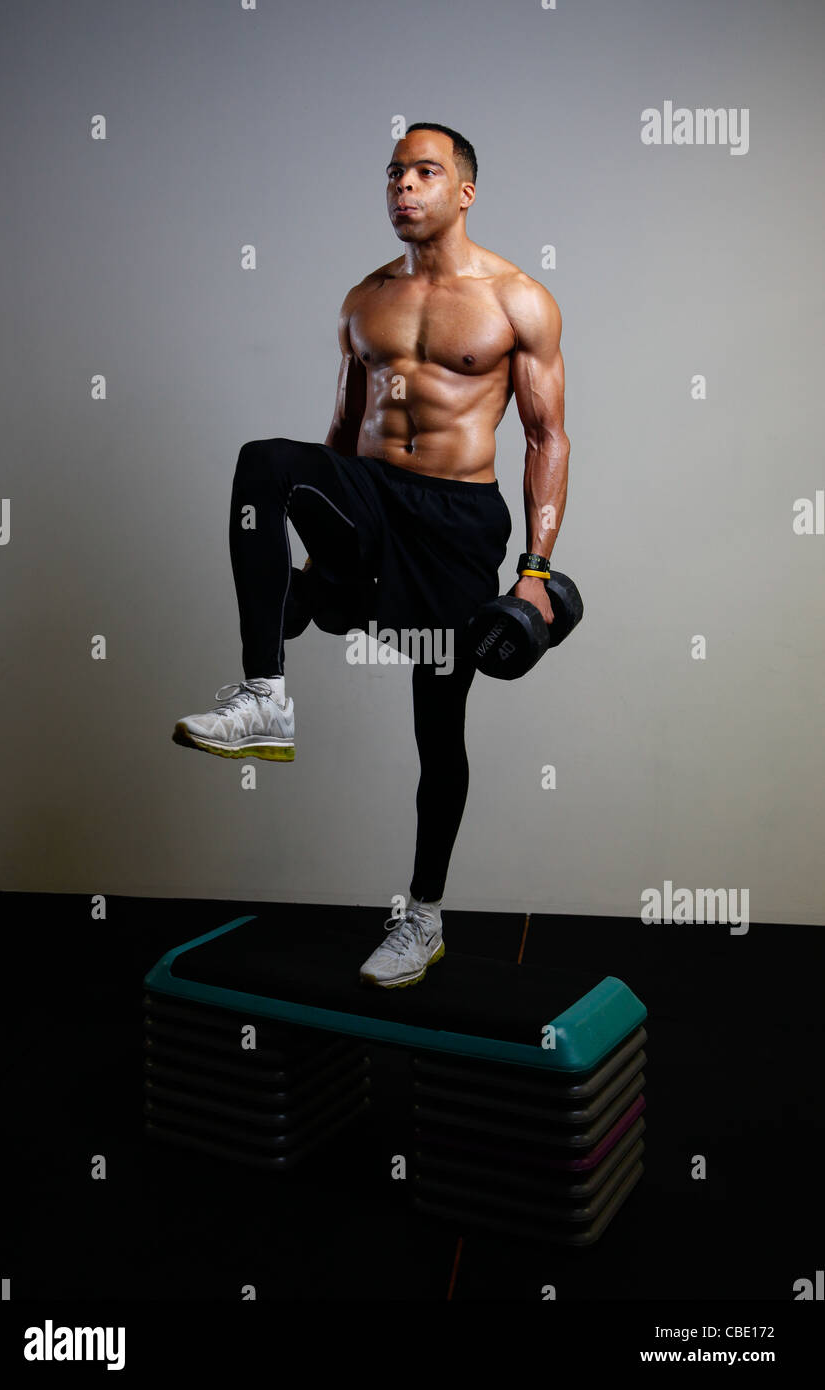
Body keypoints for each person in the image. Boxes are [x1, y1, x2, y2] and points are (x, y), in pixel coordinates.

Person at [173, 122, 570, 989]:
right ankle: (263, 699)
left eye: (424, 173)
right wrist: (319, 533)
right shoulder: (364, 300)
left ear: (462, 191)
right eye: (394, 173)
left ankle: (421, 916)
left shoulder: (517, 299)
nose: (403, 187)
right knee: (268, 461)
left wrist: (535, 574)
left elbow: (546, 436)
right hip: (369, 497)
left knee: (439, 719)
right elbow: (342, 431)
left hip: (456, 521)